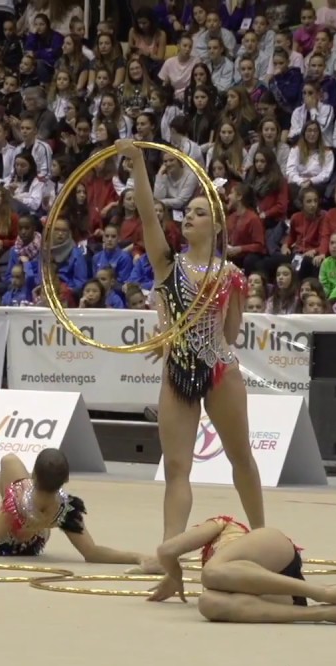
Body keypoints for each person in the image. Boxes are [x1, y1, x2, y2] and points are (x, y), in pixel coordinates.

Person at [114, 138, 265, 543]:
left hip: (219, 370)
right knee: (177, 468)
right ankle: (169, 549)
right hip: (177, 372)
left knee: (242, 459)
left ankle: (263, 535)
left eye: (200, 213)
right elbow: (148, 216)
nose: (189, 219)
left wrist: (182, 331)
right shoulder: (167, 265)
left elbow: (231, 335)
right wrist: (136, 163)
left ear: (216, 225)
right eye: (187, 213)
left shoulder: (231, 275)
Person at [145, 515, 336, 624]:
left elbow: (167, 550)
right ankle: (323, 612)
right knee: (209, 603)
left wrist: (174, 575)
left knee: (212, 573)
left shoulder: (222, 525)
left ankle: (323, 592)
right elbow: (166, 552)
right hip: (273, 591)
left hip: (271, 550)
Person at [0, 449, 150, 564]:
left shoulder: (15, 505)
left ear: (33, 475)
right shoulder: (65, 509)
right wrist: (138, 556)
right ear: (67, 479)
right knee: (10, 462)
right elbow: (92, 552)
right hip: (33, 540)